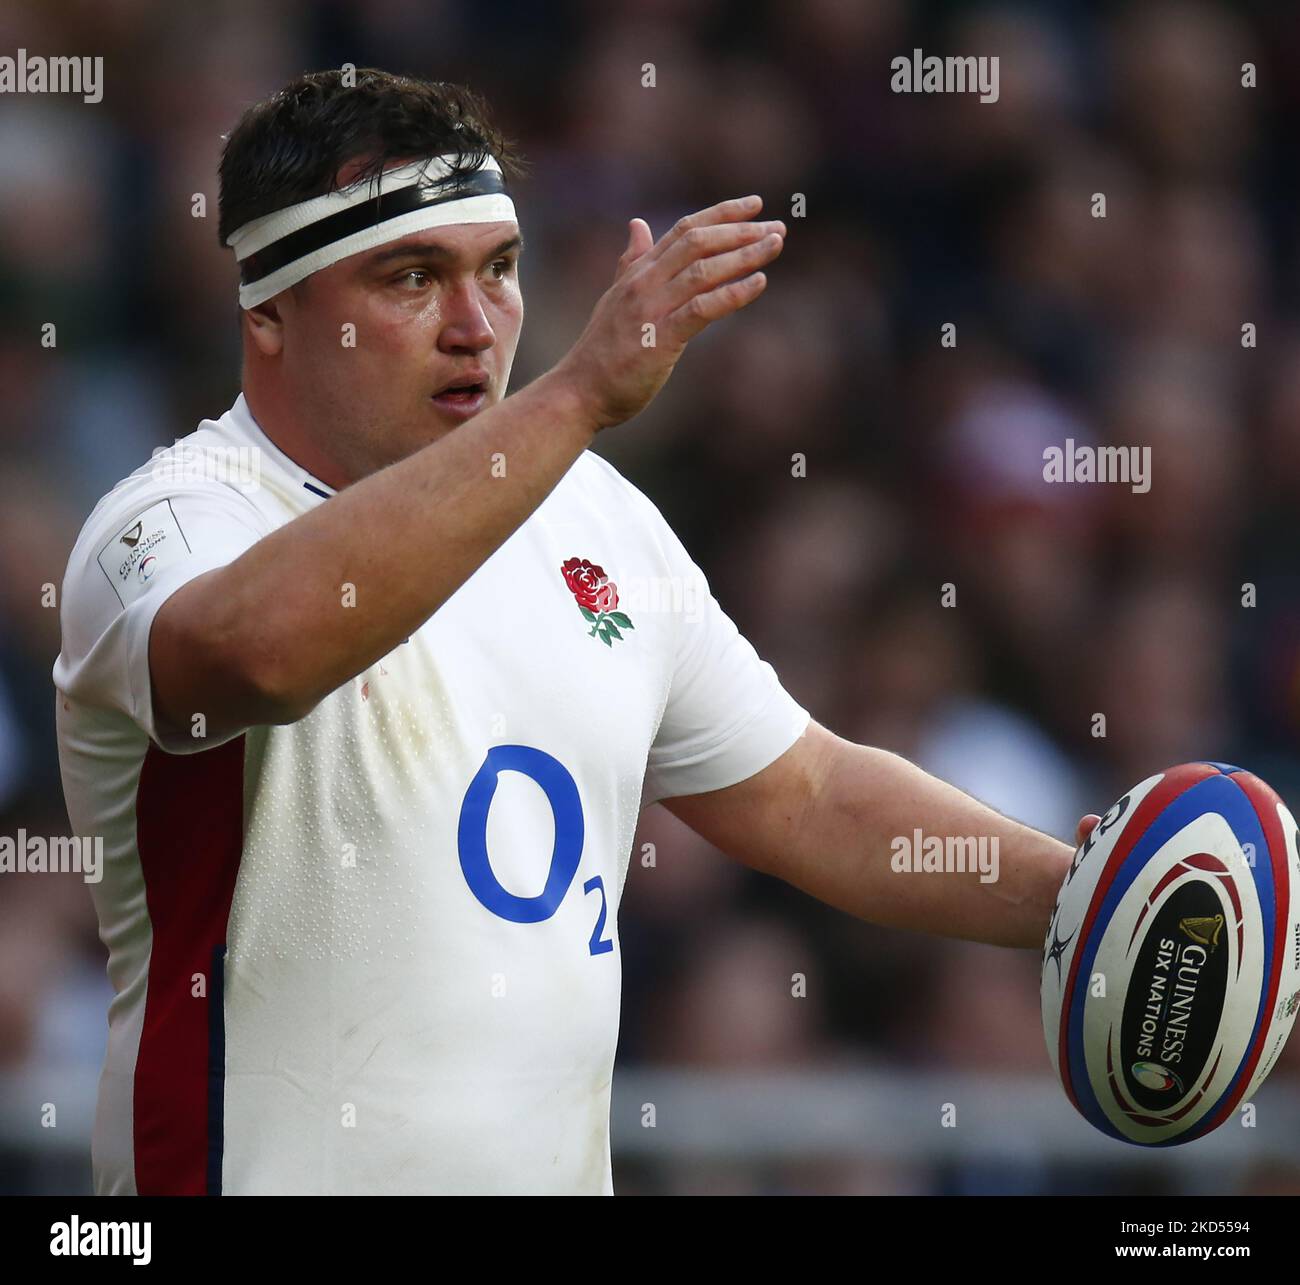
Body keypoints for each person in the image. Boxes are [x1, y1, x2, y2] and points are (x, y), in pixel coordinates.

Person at [53, 68, 1085, 1196]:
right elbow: (260, 656)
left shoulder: (594, 518)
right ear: (268, 311)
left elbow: (808, 794)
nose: (476, 324)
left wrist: (1080, 898)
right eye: (411, 278)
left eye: (499, 269)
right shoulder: (169, 523)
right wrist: (580, 392)